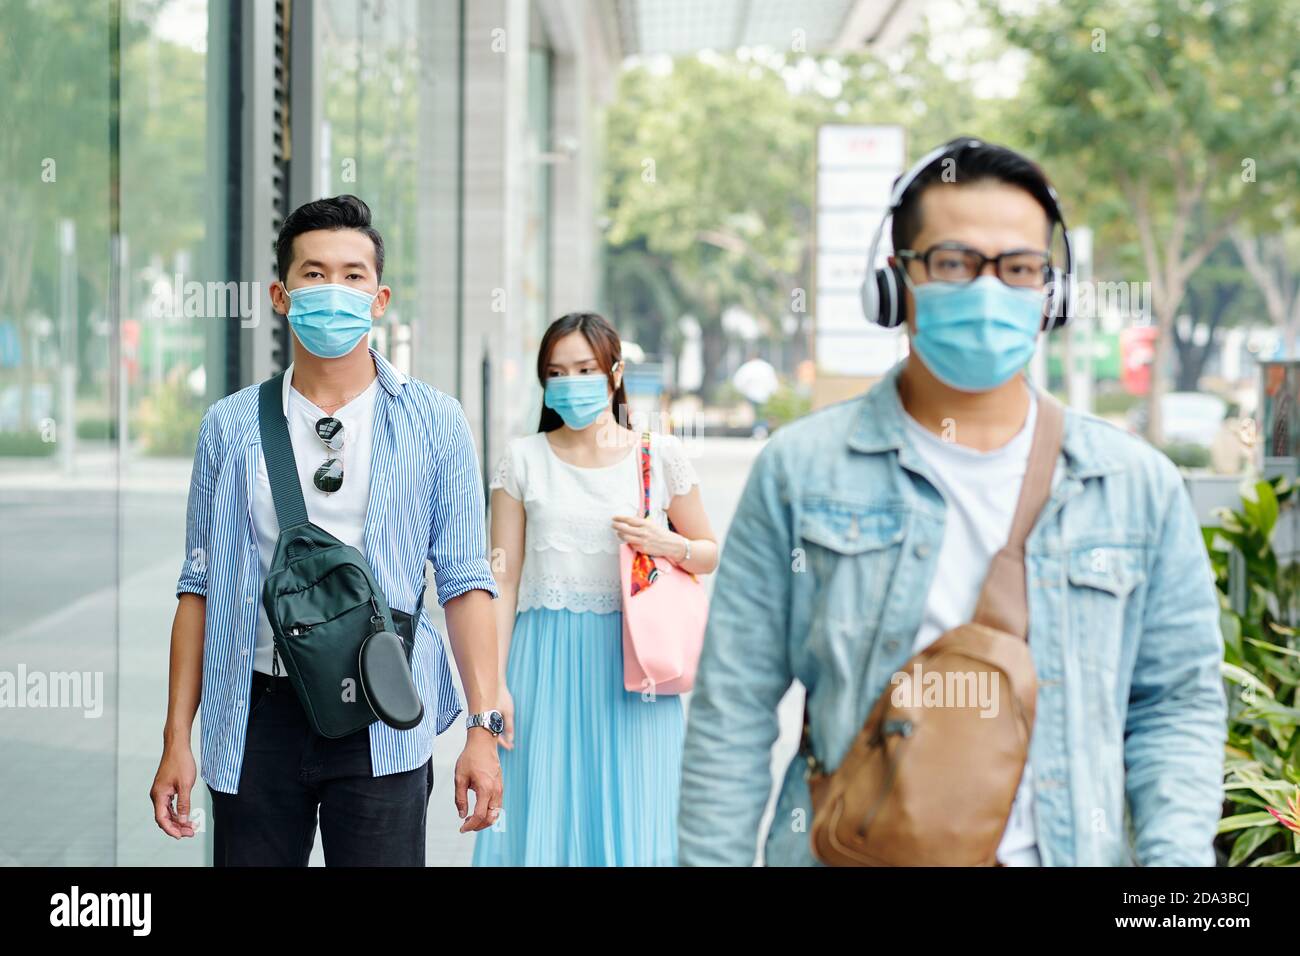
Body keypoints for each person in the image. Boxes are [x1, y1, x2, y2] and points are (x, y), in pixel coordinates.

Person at [678, 139, 1226, 866]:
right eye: (954, 262)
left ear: (1050, 295)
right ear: (894, 284)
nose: (988, 289)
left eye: (1019, 268)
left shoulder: (1135, 484)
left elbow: (1176, 704)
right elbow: (733, 709)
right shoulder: (801, 471)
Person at [149, 194, 505, 865]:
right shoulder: (229, 428)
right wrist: (177, 738)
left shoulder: (435, 422)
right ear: (280, 295)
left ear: (380, 297)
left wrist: (482, 729)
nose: (332, 290)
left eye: (352, 274)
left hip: (383, 709)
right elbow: (196, 588)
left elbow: (465, 582)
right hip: (256, 714)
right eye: (313, 274)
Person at [472, 312, 719, 866]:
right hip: (542, 664)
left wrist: (666, 543)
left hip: (636, 666)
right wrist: (494, 689)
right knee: (546, 816)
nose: (572, 382)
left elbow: (708, 550)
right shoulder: (523, 461)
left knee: (639, 816)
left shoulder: (660, 456)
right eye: (558, 372)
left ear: (615, 372)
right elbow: (503, 581)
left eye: (585, 368)